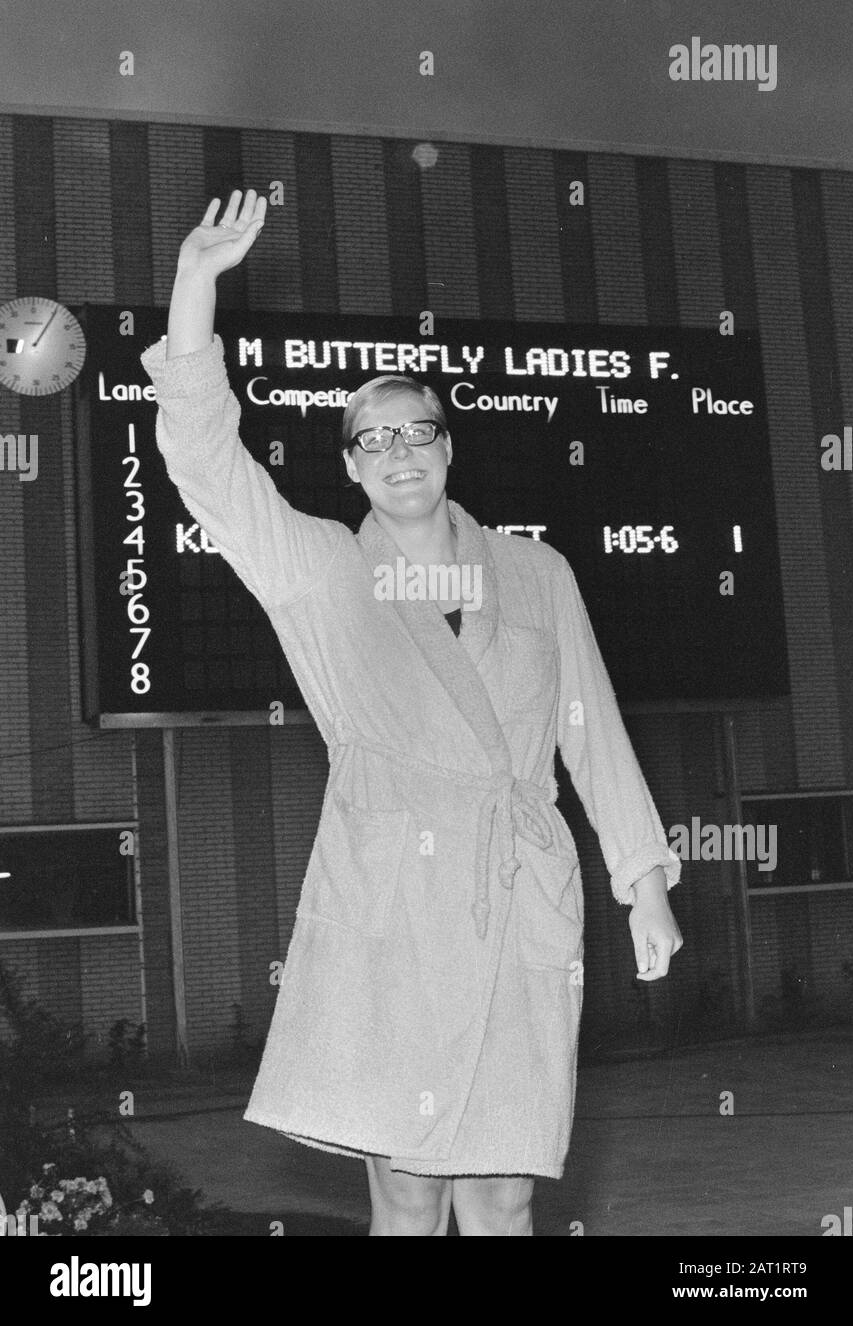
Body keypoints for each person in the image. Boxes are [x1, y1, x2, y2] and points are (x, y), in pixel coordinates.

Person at [140, 187, 684, 1237]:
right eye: (370, 438)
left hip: (518, 884)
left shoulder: (536, 573)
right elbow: (204, 463)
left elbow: (591, 734)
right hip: (388, 896)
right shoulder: (324, 570)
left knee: (503, 1186)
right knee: (406, 1186)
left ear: (447, 447)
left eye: (416, 431)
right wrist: (195, 285)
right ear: (348, 465)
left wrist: (642, 881)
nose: (397, 452)